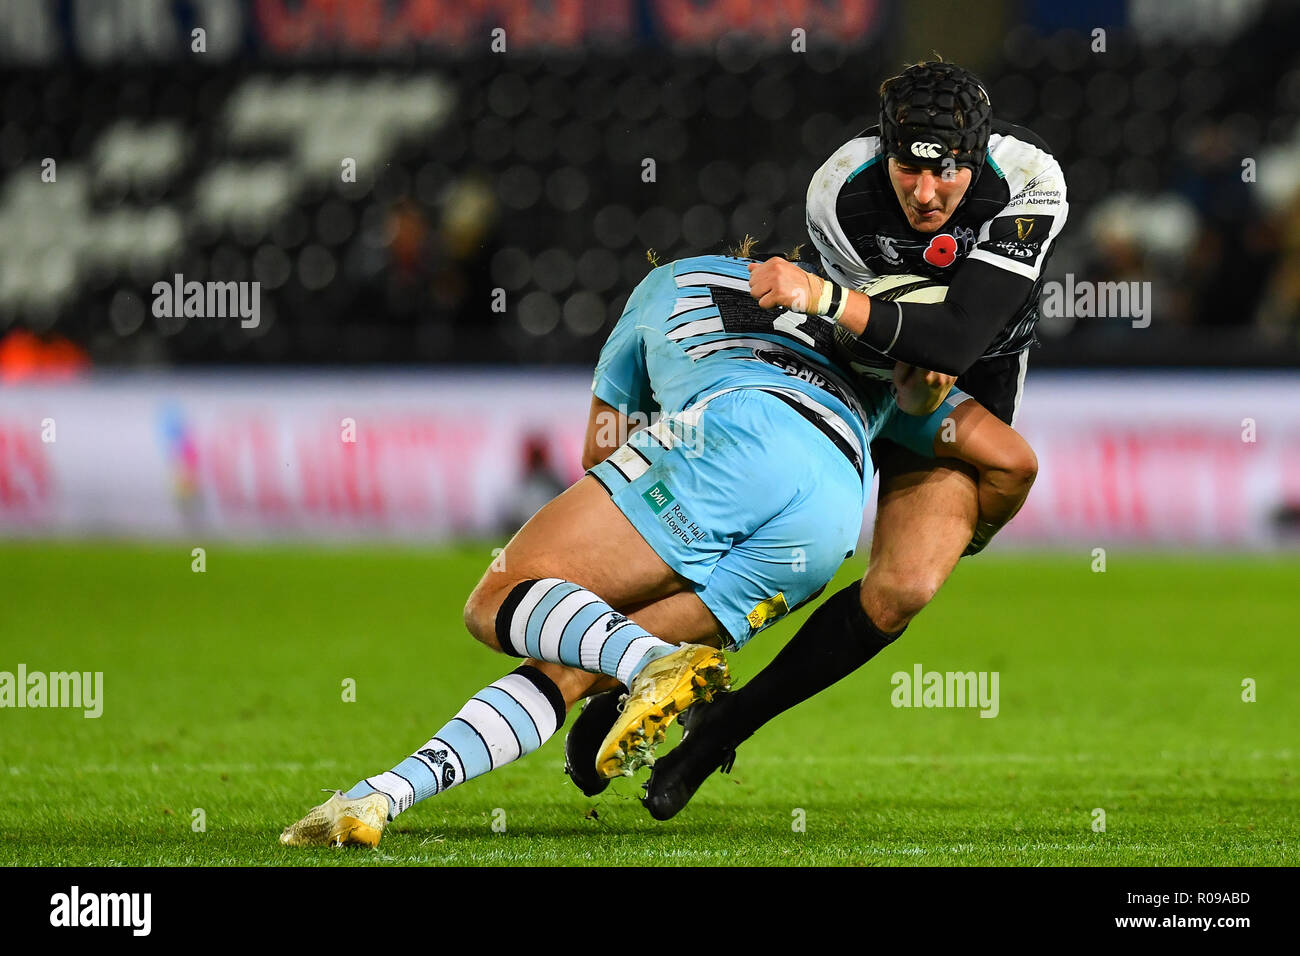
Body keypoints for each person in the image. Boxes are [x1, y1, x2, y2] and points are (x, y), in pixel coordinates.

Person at [281, 250, 931, 847]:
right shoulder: (858, 329)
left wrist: (656, 506)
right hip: (829, 520)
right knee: (575, 660)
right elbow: (962, 424)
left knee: (500, 599)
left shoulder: (668, 282)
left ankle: (652, 663)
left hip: (734, 439)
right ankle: (377, 798)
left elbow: (601, 451)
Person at [617, 59, 1066, 819]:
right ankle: (633, 669)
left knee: (905, 588)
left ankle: (724, 724)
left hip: (975, 369)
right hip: (861, 367)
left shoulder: (1030, 179)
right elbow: (882, 348)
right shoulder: (840, 191)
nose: (926, 194)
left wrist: (828, 296)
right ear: (884, 150)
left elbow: (955, 341)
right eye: (908, 170)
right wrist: (881, 342)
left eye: (949, 173)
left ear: (979, 154)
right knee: (795, 542)